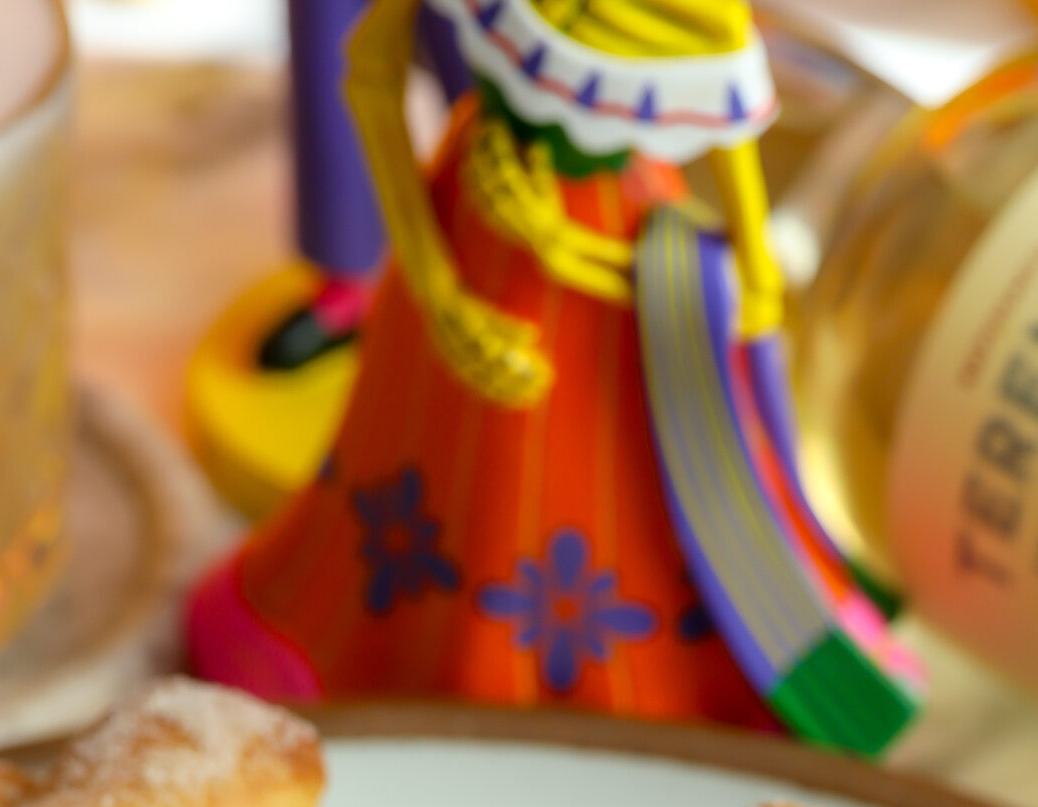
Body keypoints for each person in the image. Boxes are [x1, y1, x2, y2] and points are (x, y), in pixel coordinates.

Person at [188, 0, 785, 723]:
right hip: (477, 238)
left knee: (611, 468)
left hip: (613, 239)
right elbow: (369, 75)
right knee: (470, 469)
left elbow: (725, 113)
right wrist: (436, 288)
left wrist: (750, 269)